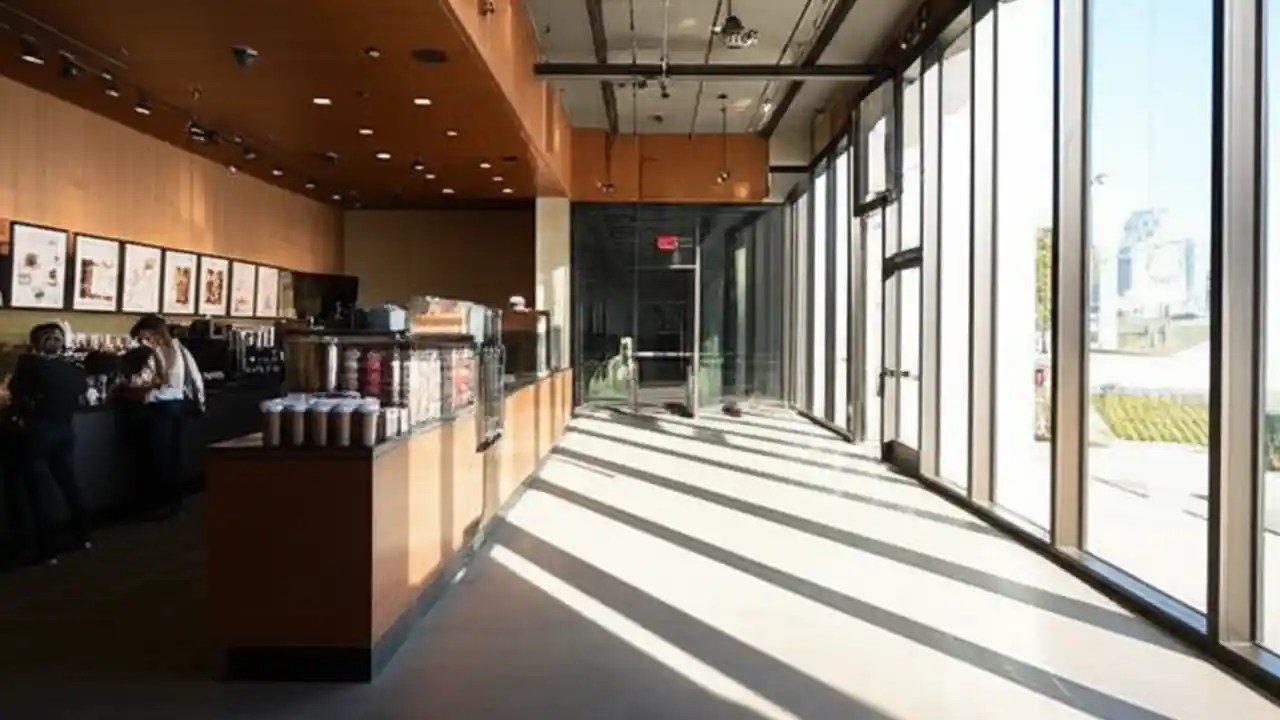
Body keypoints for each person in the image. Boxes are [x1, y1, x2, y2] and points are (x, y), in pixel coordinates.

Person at [8, 323, 90, 565]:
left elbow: (16, 393)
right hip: (65, 430)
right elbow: (81, 394)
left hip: (38, 433)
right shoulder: (74, 369)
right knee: (70, 484)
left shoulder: (29, 365)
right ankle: (83, 536)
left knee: (40, 492)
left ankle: (47, 549)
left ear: (35, 343)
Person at [129, 315, 204, 519]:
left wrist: (130, 384)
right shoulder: (180, 349)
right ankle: (176, 502)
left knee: (159, 456)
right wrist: (201, 403)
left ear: (150, 332)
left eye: (141, 335)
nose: (139, 340)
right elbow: (195, 377)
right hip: (178, 405)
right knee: (174, 454)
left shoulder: (154, 352)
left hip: (159, 406)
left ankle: (160, 504)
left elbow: (145, 380)